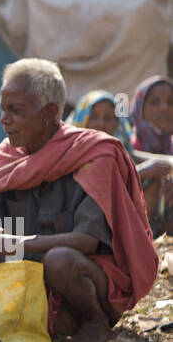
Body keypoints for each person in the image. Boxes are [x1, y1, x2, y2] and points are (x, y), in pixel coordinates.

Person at [0, 59, 158, 342]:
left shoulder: (94, 153)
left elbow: (87, 240)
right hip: (26, 276)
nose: (4, 119)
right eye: (3, 109)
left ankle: (94, 322)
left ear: (50, 113)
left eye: (15, 111)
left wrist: (11, 244)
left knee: (60, 260)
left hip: (83, 277)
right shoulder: (8, 153)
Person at [70, 89, 173, 236]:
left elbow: (150, 159)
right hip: (90, 224)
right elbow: (98, 182)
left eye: (108, 118)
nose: (101, 124)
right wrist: (143, 171)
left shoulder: (117, 147)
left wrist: (167, 167)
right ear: (83, 118)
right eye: (94, 117)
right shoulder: (76, 151)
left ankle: (146, 232)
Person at [128, 77, 173, 237]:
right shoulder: (126, 146)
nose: (164, 108)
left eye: (170, 102)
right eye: (154, 102)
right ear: (140, 107)